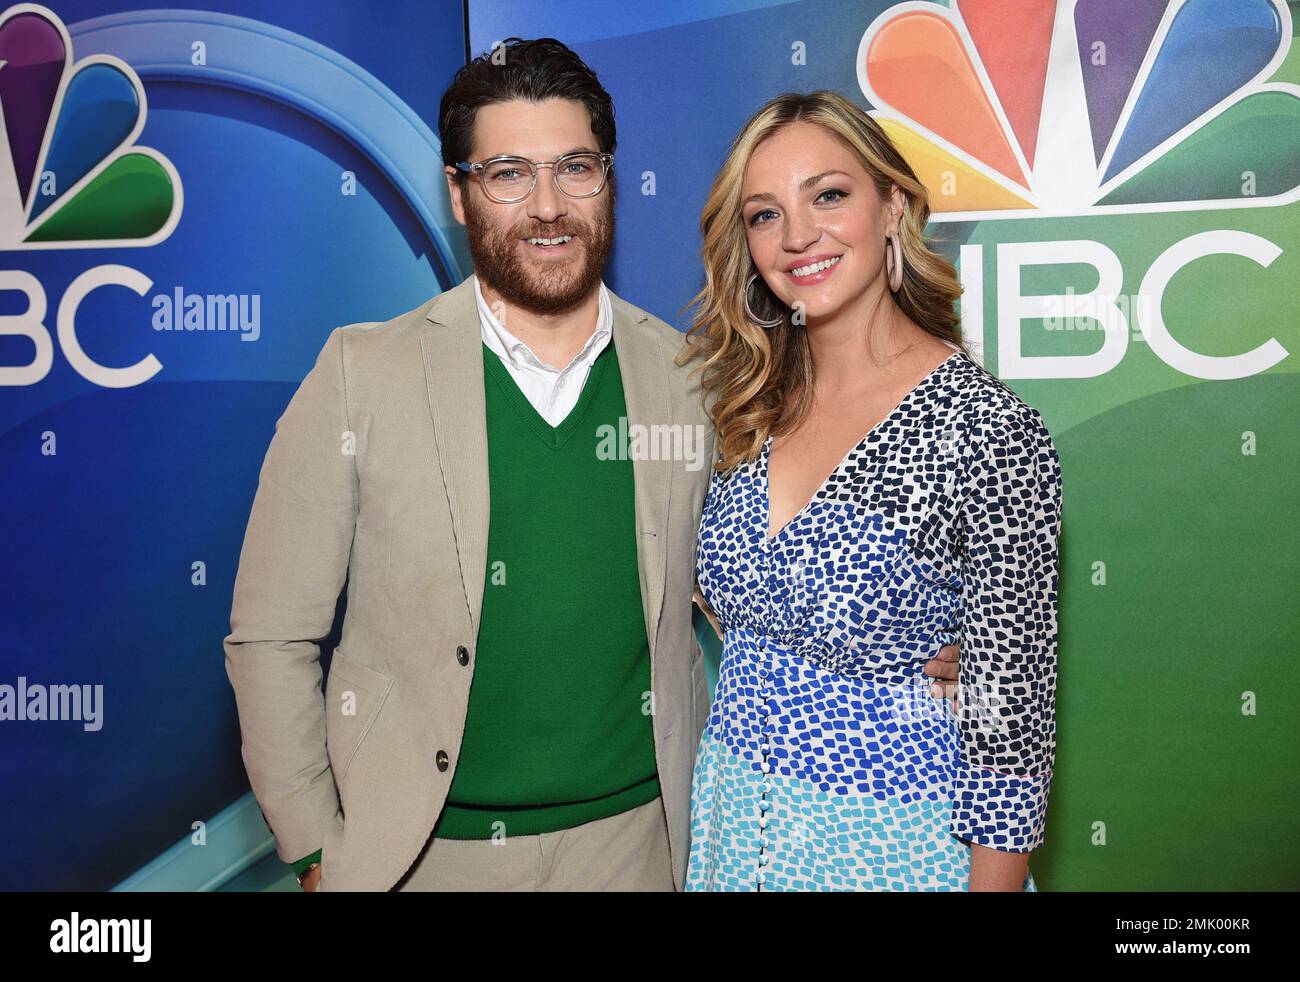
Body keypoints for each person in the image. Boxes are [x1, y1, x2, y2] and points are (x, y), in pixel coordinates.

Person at [224, 39, 961, 892]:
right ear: (460, 196)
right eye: (507, 174)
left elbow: (753, 586)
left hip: (644, 848)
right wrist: (314, 847)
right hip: (418, 857)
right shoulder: (362, 374)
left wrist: (900, 657)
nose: (546, 206)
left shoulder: (695, 380)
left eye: (574, 167)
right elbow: (271, 635)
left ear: (608, 179)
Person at [680, 90, 1062, 891]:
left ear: (892, 206)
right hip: (731, 832)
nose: (796, 237)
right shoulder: (750, 405)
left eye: (828, 195)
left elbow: (1008, 733)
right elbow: (741, 598)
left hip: (893, 849)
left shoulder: (987, 431)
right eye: (763, 214)